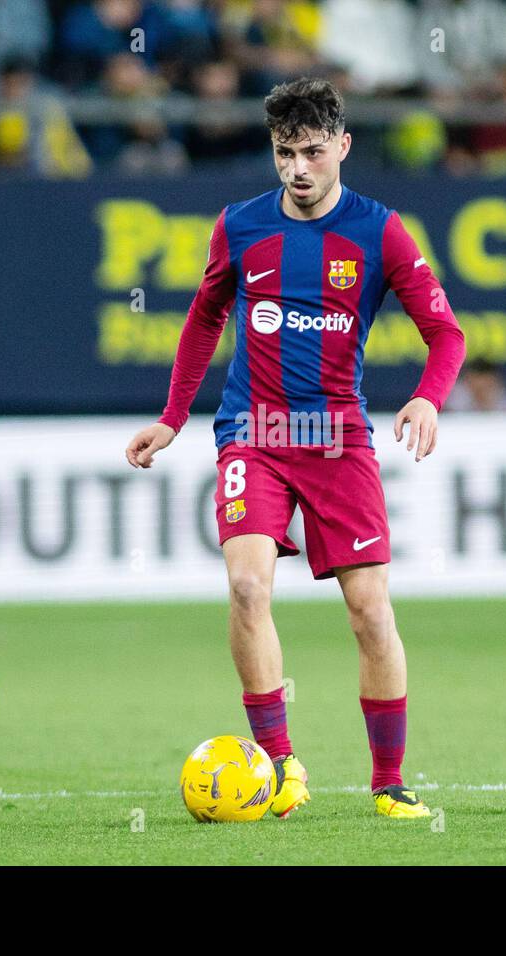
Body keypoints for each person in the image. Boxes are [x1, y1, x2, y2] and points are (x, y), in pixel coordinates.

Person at [124, 77, 465, 819]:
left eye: (313, 151)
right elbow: (202, 320)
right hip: (254, 432)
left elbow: (447, 333)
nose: (299, 168)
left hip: (339, 438)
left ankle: (389, 781)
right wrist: (174, 418)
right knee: (247, 588)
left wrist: (426, 397)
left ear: (342, 146)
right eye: (286, 153)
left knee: (371, 614)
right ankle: (279, 766)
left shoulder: (380, 232)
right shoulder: (240, 227)